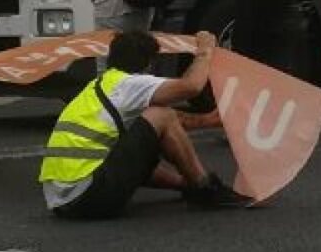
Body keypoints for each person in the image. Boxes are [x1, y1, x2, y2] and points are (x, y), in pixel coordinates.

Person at [39, 27, 250, 218]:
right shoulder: (130, 83)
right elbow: (191, 87)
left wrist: (208, 121)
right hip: (90, 194)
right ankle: (205, 188)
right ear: (149, 64)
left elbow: (165, 132)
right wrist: (205, 50)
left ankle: (189, 185)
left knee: (144, 133)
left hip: (64, 202)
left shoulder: (101, 87)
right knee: (161, 114)